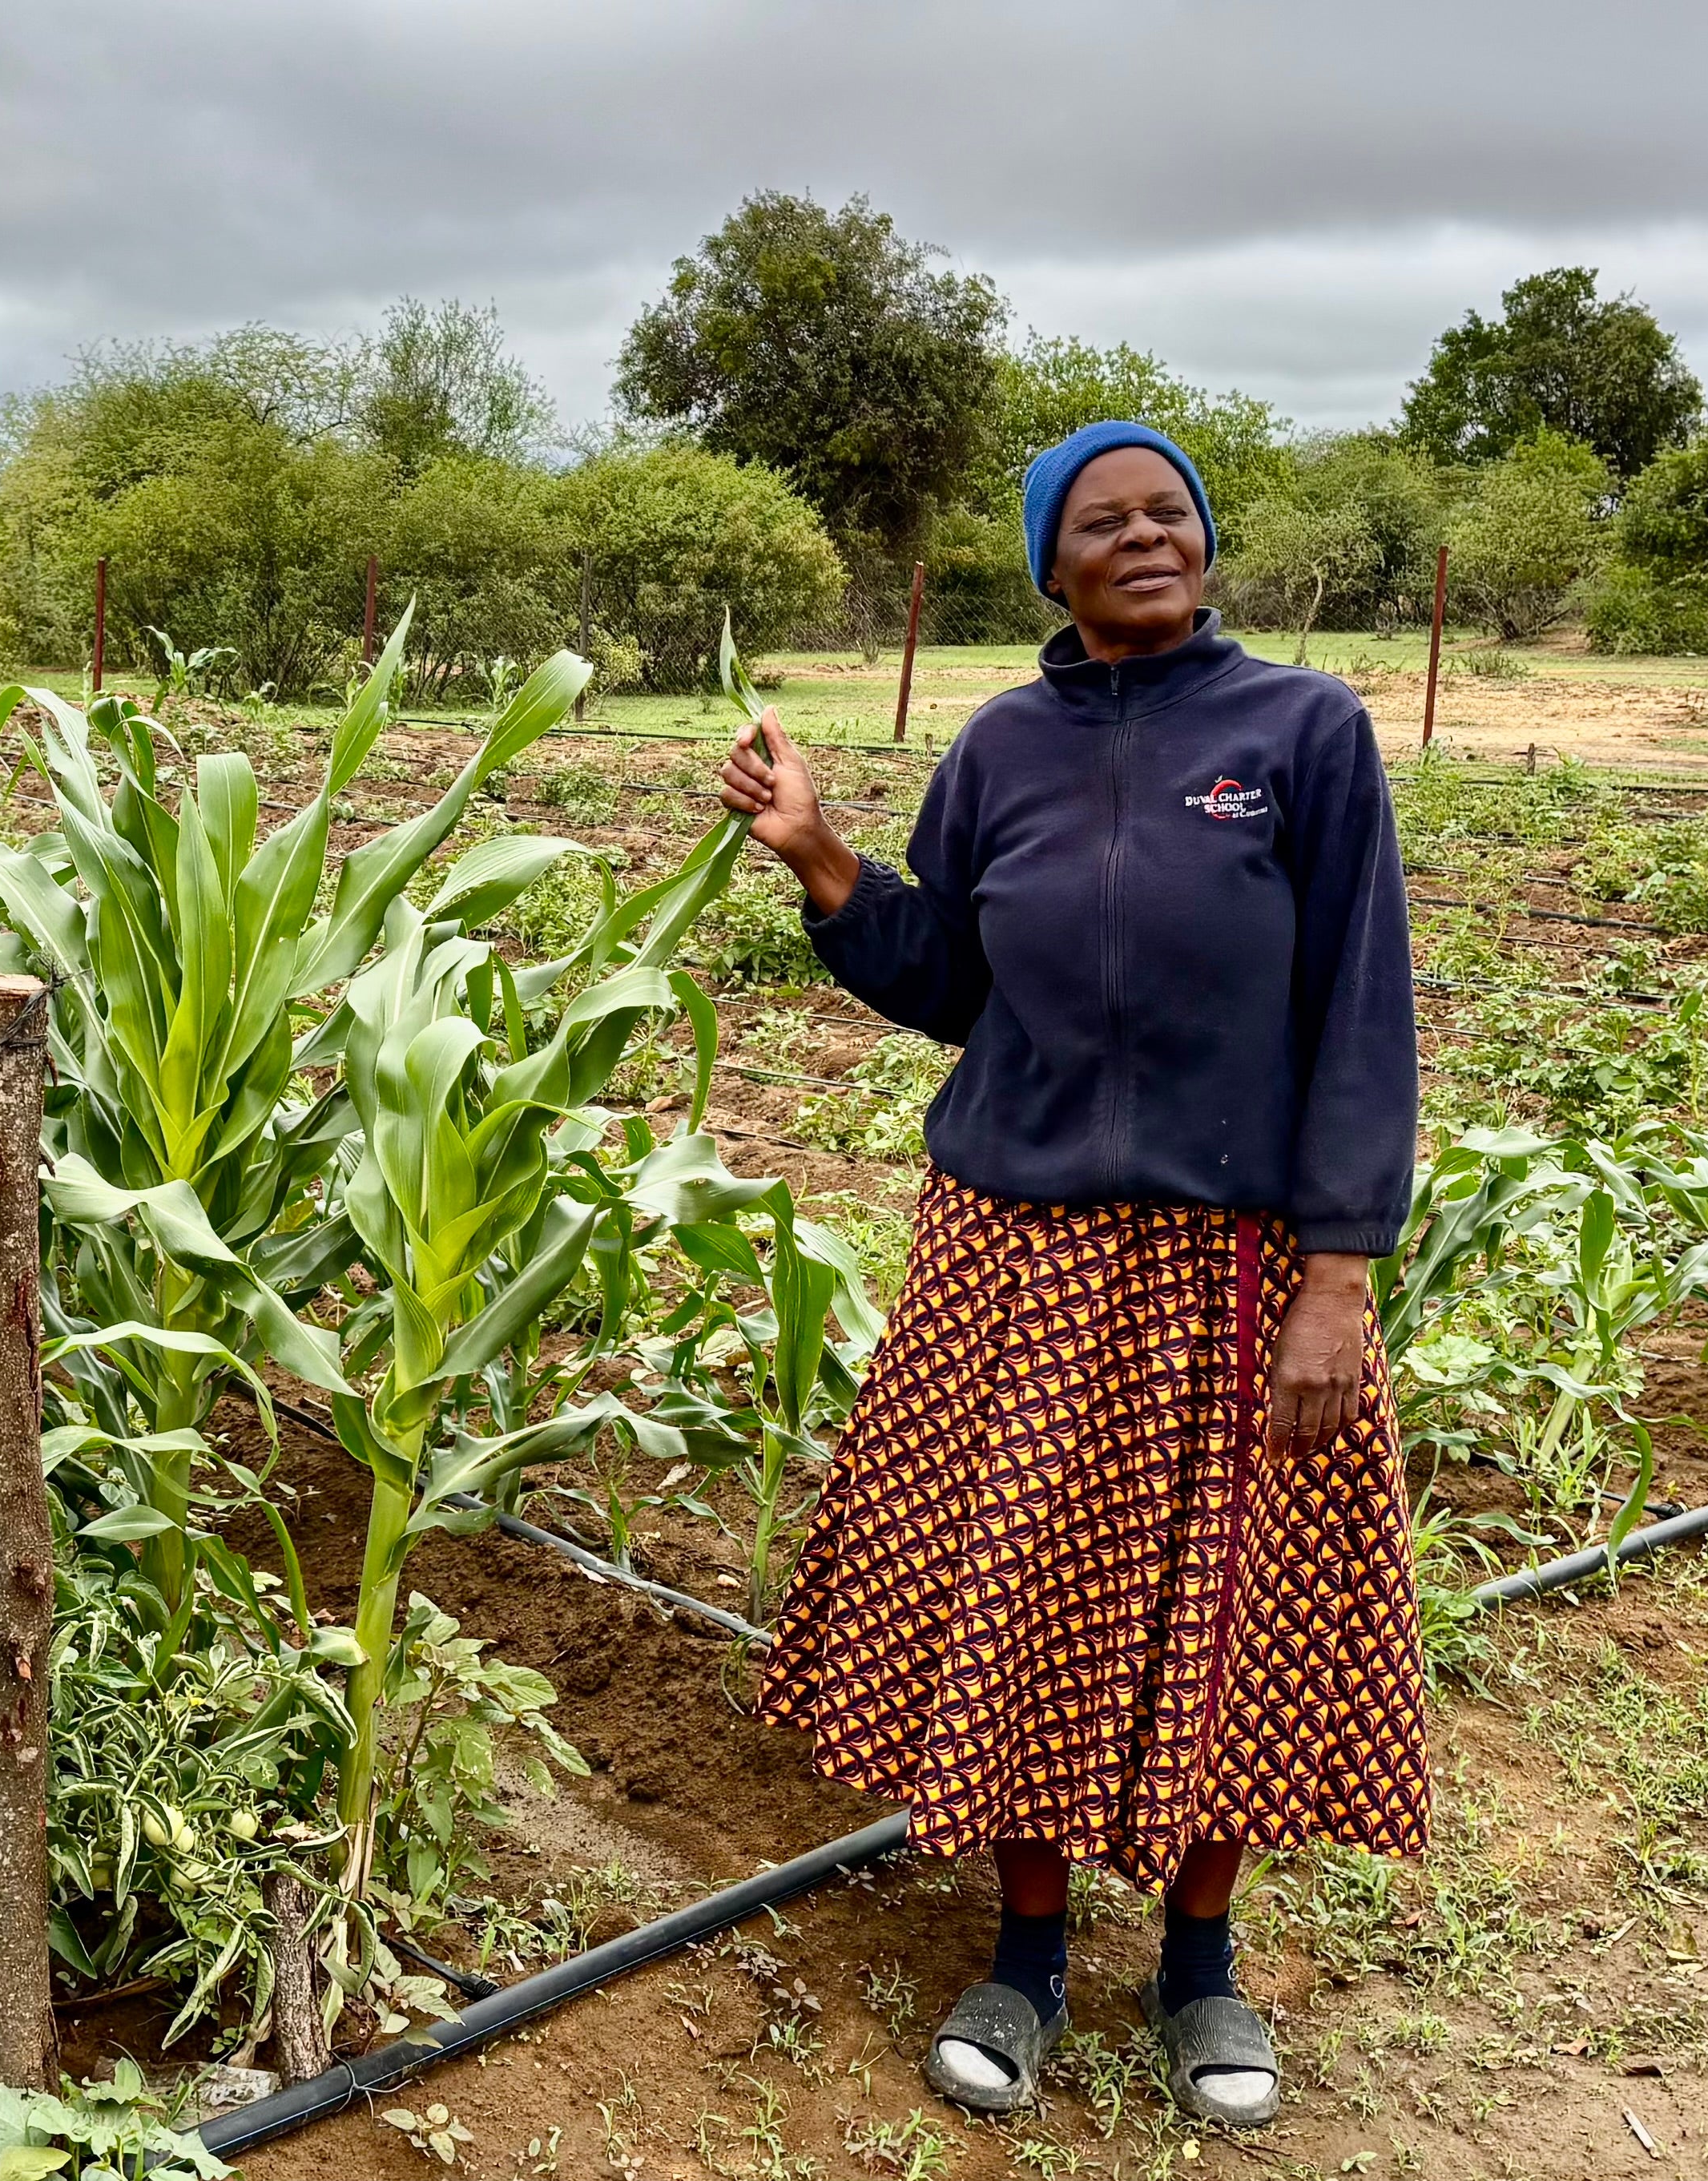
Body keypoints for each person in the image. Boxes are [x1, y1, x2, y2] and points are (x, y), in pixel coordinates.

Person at [716, 419, 1425, 2129]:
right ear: (1049, 562)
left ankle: (1200, 1963)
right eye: (1100, 522)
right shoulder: (1004, 744)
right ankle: (1026, 1949)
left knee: (1237, 1607)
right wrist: (823, 855)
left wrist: (1337, 1274)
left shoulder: (1300, 732)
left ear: (1204, 539)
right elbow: (955, 977)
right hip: (1017, 1249)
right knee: (1020, 1590)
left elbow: (1360, 1005)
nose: (1142, 538)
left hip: (1235, 1259)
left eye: (1166, 512)